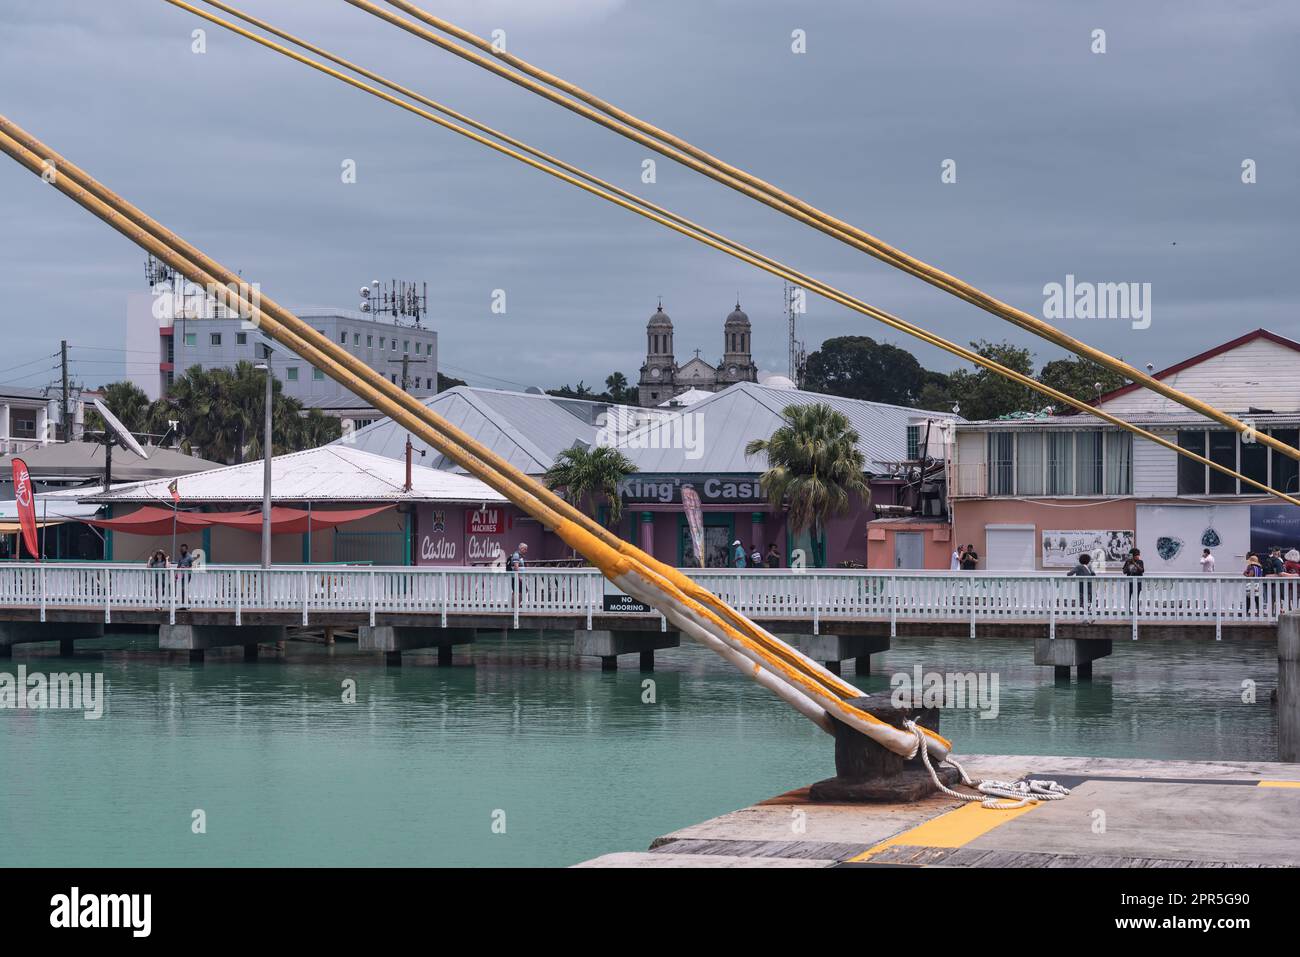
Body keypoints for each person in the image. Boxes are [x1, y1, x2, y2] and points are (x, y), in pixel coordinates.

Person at [1067, 552, 1095, 621]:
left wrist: (1091, 571)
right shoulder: (1079, 567)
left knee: (1086, 603)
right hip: (1084, 589)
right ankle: (1088, 617)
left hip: (1087, 589)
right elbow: (1070, 574)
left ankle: (1088, 617)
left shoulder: (1088, 568)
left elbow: (1093, 575)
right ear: (1088, 561)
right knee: (1085, 603)